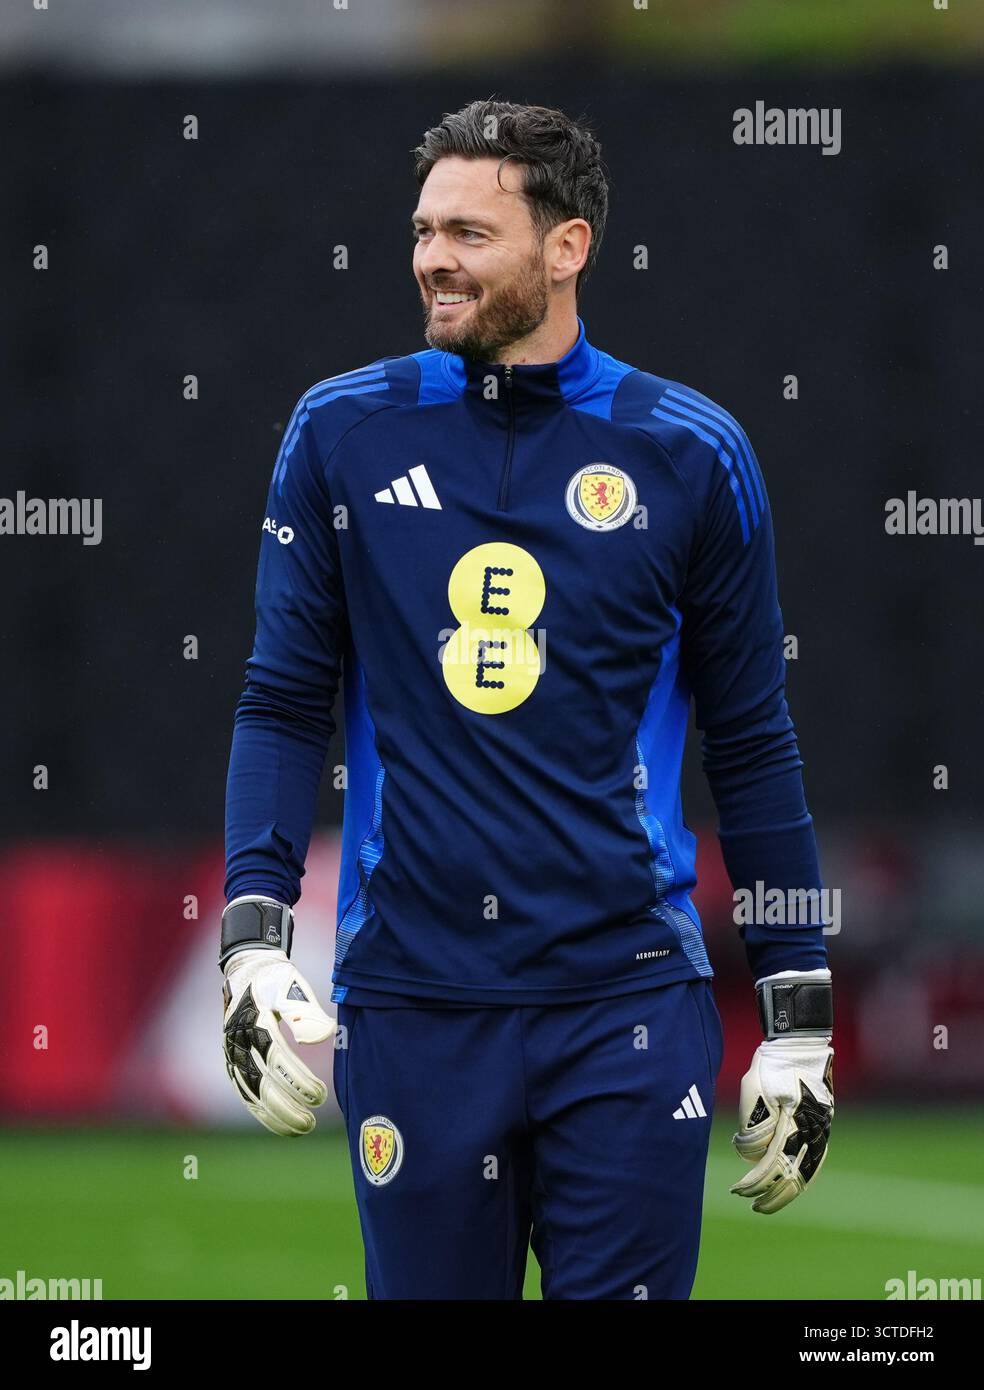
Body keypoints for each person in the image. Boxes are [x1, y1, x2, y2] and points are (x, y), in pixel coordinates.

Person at [220, 98, 834, 1301]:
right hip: (415, 997)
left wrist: (798, 1006)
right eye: (422, 230)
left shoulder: (692, 452)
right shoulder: (340, 429)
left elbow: (753, 741)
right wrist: (252, 932)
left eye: (468, 232)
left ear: (567, 248)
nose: (433, 259)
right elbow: (283, 699)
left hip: (628, 1004)